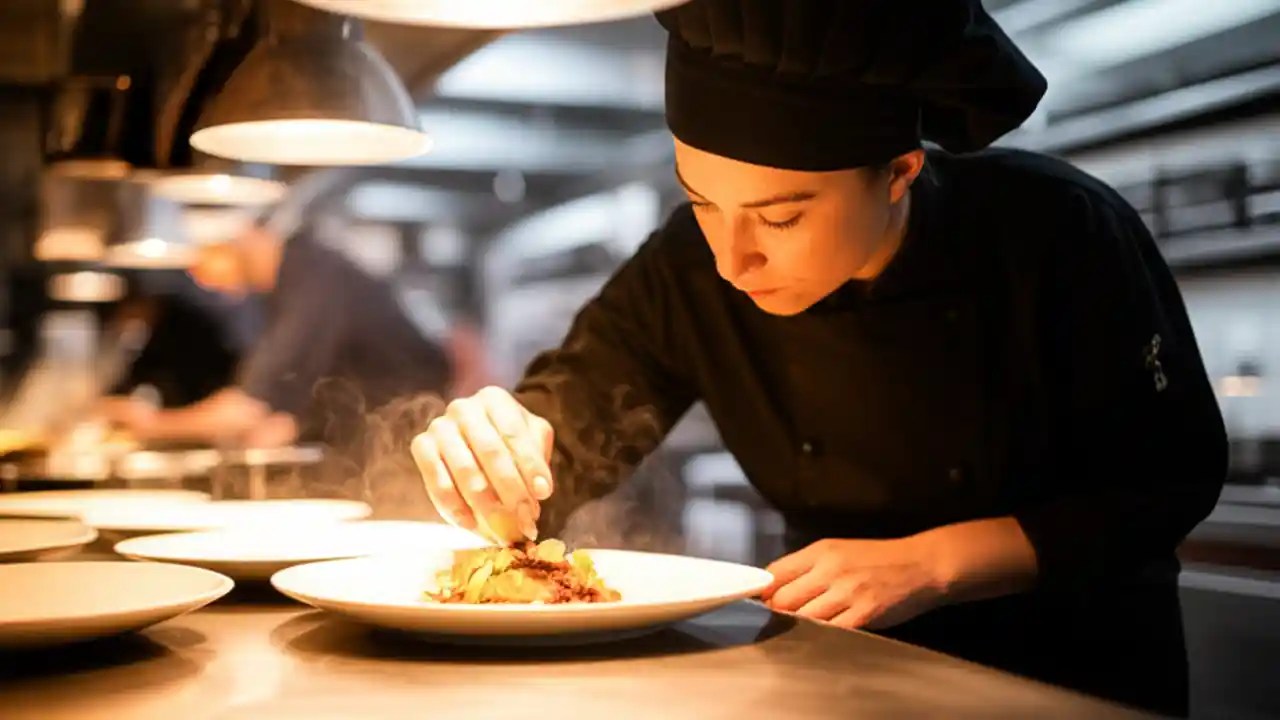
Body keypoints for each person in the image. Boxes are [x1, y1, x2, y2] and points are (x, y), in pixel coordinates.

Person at [410, 1, 1226, 716]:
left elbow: (1165, 481)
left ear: (899, 172)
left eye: (783, 217)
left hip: (1072, 679)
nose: (734, 259)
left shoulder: (1060, 231)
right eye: (701, 203)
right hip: (834, 674)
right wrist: (506, 443)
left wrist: (934, 564)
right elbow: (581, 402)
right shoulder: (688, 269)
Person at [104, 216, 455, 452]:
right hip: (366, 452)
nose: (199, 277)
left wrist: (149, 425)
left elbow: (246, 410)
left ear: (240, 231)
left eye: (200, 258)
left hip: (399, 455)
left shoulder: (314, 278)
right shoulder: (291, 283)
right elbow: (281, 411)